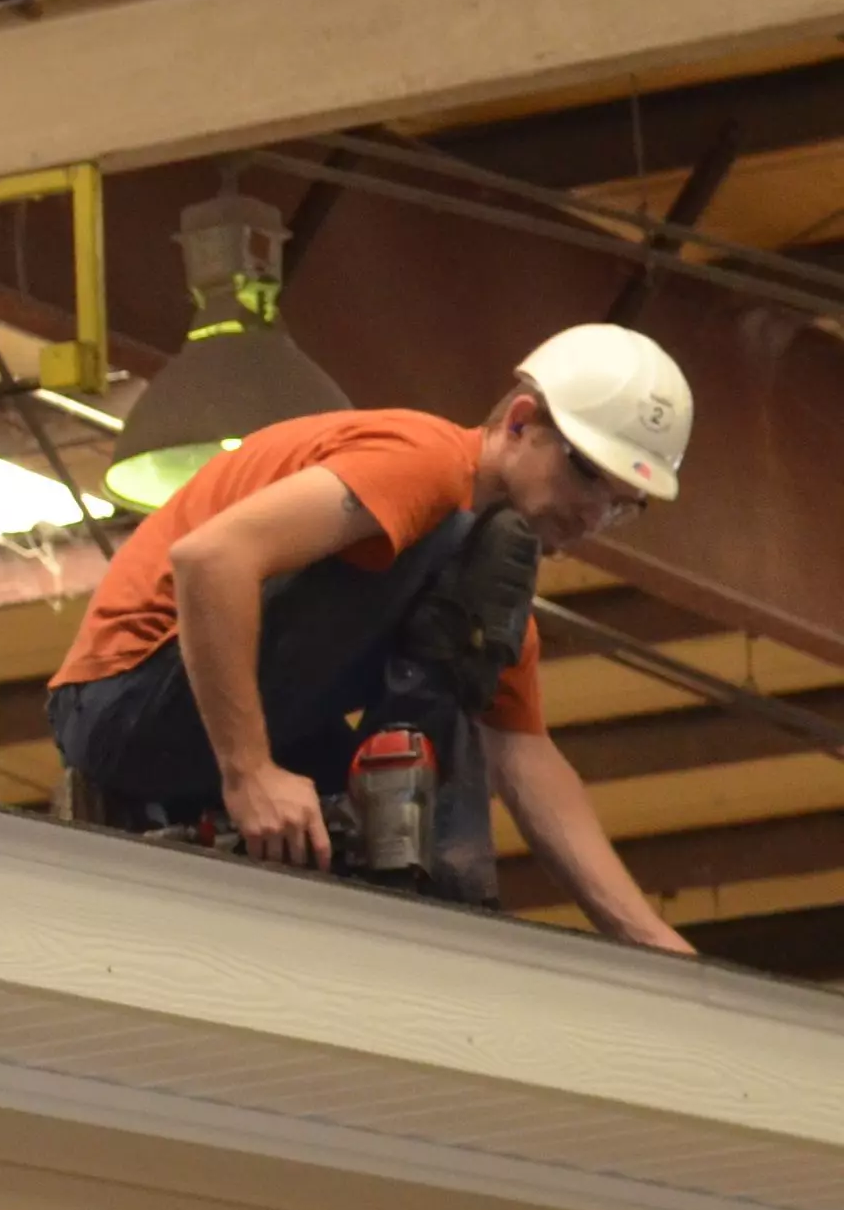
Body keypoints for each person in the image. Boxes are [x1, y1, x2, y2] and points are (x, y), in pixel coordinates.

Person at [45, 327, 699, 953]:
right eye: (586, 473)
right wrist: (250, 773)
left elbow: (526, 757)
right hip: (120, 702)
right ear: (522, 420)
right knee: (465, 556)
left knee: (480, 627)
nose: (594, 514)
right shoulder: (425, 465)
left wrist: (651, 941)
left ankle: (419, 886)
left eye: (623, 503)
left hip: (225, 723)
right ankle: (426, 884)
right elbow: (210, 561)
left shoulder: (482, 594)